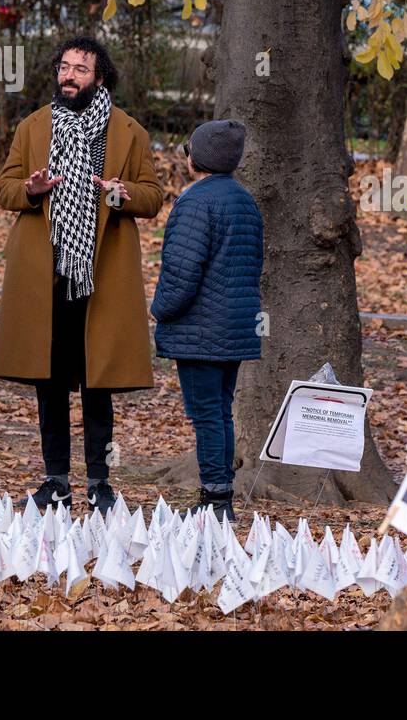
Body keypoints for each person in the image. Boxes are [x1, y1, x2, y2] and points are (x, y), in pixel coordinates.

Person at [0, 37, 162, 514]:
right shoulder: (33, 127)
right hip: (45, 277)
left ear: (99, 78)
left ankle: (100, 483)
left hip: (101, 277)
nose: (68, 76)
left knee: (97, 385)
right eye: (63, 68)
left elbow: (153, 196)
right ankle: (56, 479)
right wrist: (30, 189)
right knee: (49, 384)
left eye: (80, 70)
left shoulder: (128, 132)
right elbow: (4, 189)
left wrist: (120, 193)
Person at [151, 119, 264, 523]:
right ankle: (222, 496)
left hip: (200, 329)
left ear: (196, 156)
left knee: (206, 415)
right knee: (220, 411)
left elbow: (182, 271)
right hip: (233, 326)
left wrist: (160, 308)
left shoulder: (196, 201)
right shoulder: (245, 201)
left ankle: (215, 501)